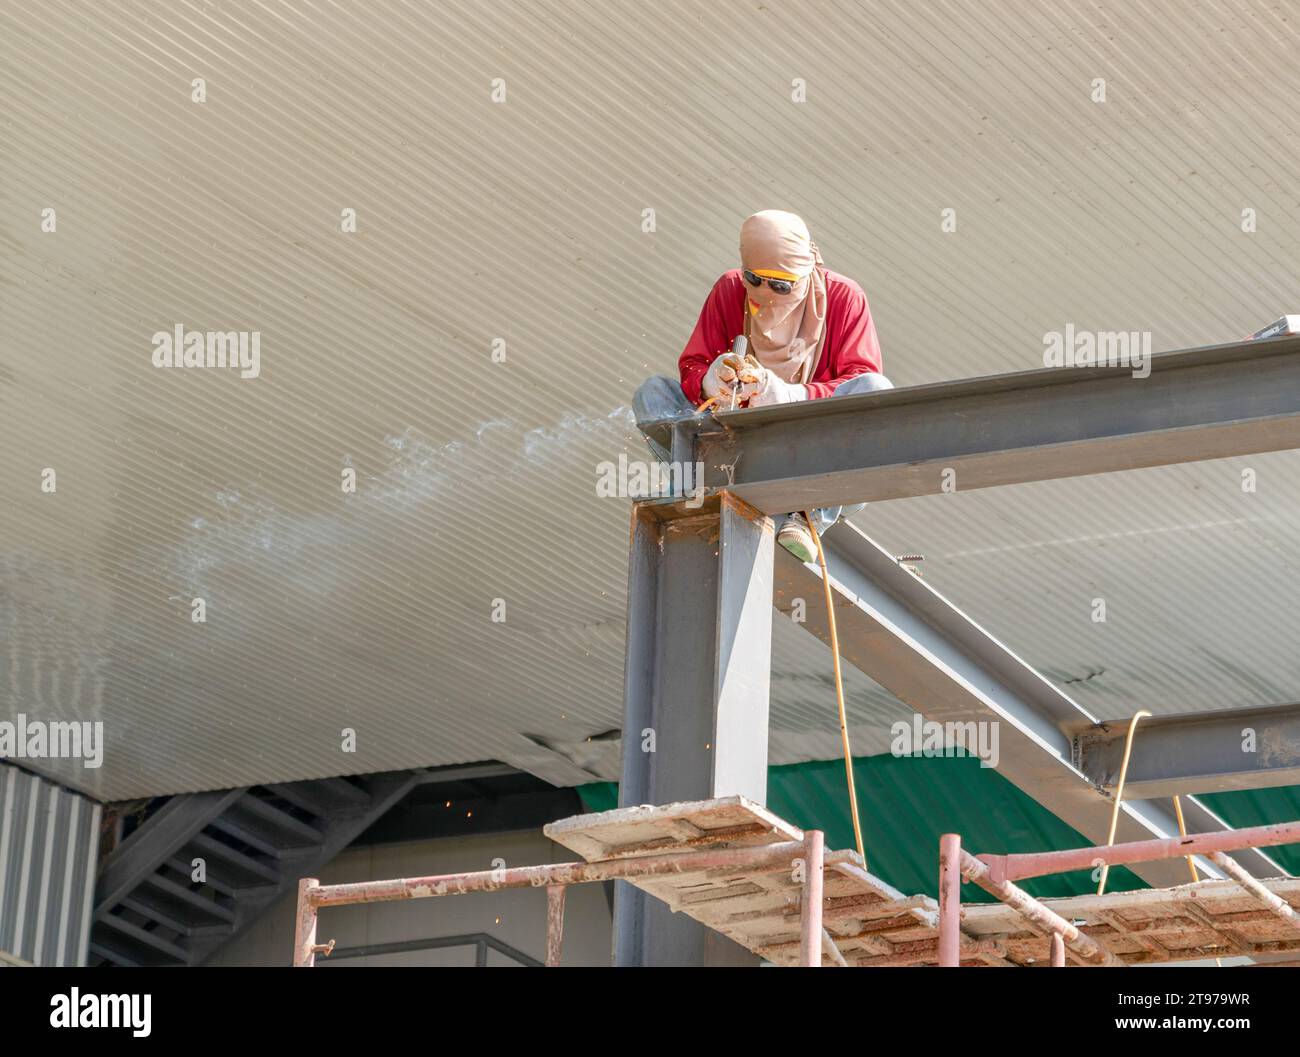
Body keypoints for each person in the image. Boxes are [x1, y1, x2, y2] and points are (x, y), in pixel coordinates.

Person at [633, 209, 894, 562]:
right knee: (653, 395)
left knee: (876, 389)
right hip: (740, 450)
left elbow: (860, 376)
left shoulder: (844, 297)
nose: (764, 293)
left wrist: (788, 395)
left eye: (781, 285)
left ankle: (808, 516)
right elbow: (692, 365)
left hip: (816, 457)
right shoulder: (729, 289)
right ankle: (696, 488)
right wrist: (711, 382)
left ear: (807, 272)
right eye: (754, 279)